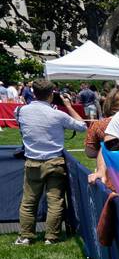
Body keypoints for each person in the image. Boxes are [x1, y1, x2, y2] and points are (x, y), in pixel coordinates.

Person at [14, 79, 87, 246]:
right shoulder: (57, 114)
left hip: (32, 161)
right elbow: (83, 126)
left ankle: (25, 236)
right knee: (55, 201)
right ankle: (51, 237)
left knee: (29, 201)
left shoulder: (21, 111)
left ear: (33, 92)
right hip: (54, 161)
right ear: (51, 94)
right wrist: (68, 106)